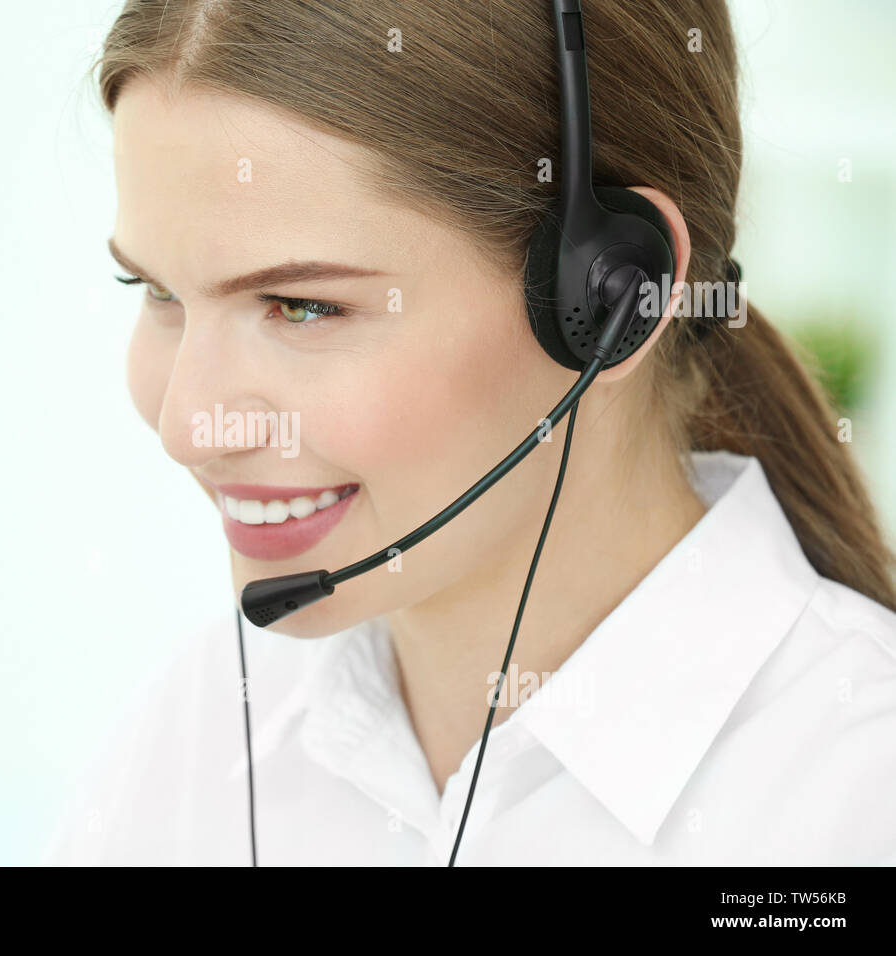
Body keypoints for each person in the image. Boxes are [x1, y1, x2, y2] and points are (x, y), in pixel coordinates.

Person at [45, 0, 896, 865]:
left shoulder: (856, 794)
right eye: (153, 291)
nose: (189, 426)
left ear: (611, 298)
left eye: (303, 306)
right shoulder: (202, 739)